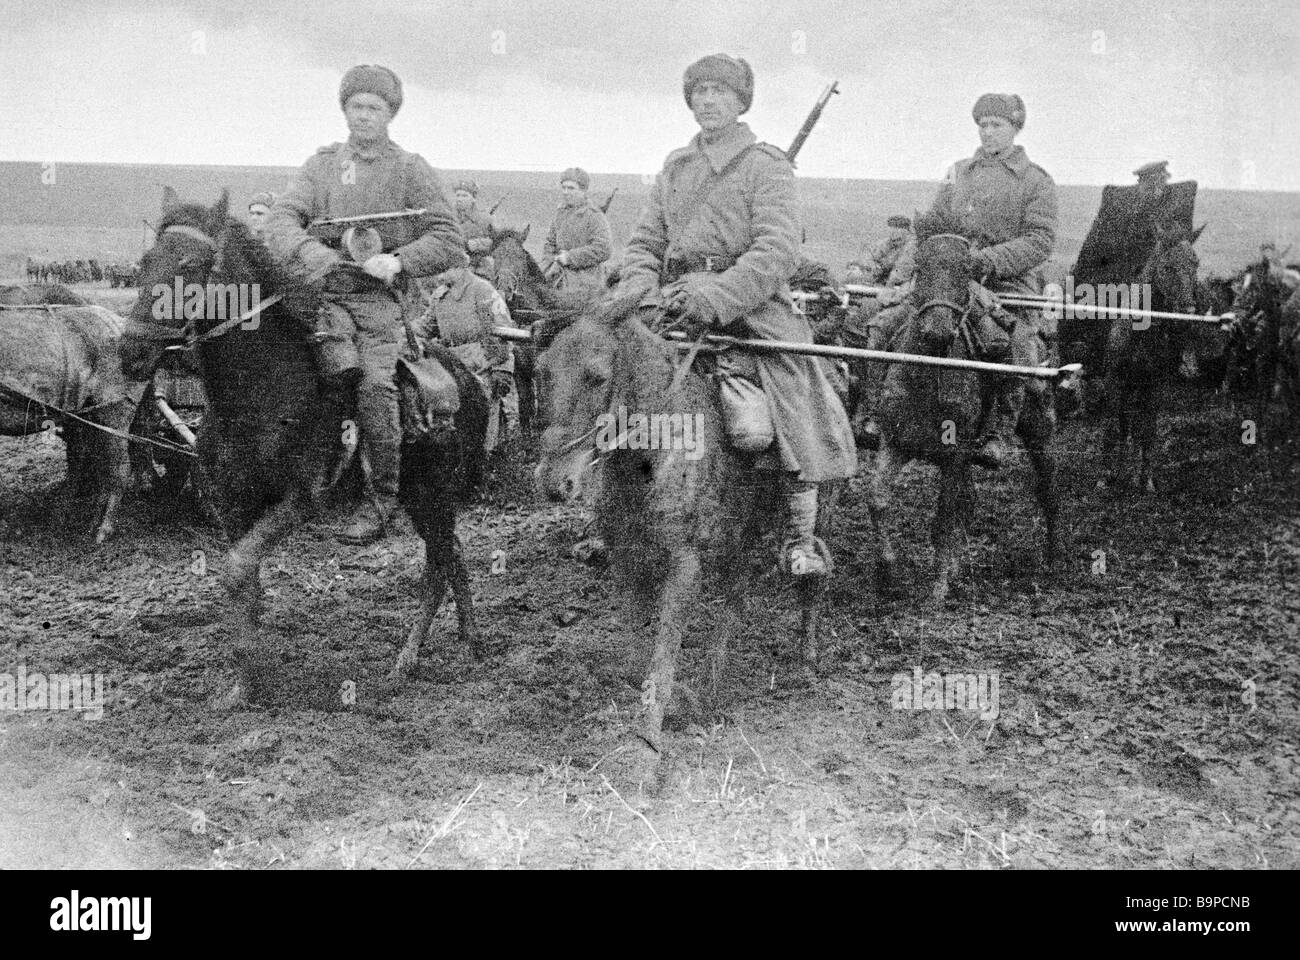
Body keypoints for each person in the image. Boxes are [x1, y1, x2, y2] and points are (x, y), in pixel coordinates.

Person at [617, 53, 857, 577]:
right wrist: (641, 286)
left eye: (719, 92)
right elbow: (643, 243)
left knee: (766, 422)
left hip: (750, 308)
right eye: (698, 92)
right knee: (613, 390)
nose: (707, 101)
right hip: (672, 302)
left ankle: (801, 538)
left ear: (741, 100)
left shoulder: (765, 166)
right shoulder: (676, 167)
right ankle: (619, 519)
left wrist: (718, 297)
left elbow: (776, 250)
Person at [266, 63, 467, 545]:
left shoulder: (411, 169)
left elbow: (450, 240)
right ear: (344, 110)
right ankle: (292, 489)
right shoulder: (321, 167)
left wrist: (398, 260)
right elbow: (280, 222)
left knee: (375, 389)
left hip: (381, 306)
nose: (363, 116)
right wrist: (317, 255)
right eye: (355, 106)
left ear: (390, 113)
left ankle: (382, 499)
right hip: (325, 298)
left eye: (374, 107)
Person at [853, 93, 1058, 469]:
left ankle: (997, 430)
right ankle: (872, 414)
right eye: (982, 124)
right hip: (947, 276)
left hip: (1004, 283)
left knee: (1014, 342)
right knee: (881, 324)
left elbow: (1040, 241)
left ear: (1015, 128)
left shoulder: (1035, 181)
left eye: (997, 125)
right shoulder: (958, 172)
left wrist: (985, 261)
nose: (987, 132)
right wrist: (899, 280)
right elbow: (927, 229)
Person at [416, 264, 518, 453]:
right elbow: (426, 326)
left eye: (443, 268)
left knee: (484, 424)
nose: (438, 275)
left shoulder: (482, 289)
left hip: (482, 363)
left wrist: (503, 368)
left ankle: (488, 465)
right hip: (451, 366)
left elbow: (503, 330)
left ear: (458, 266)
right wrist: (402, 331)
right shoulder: (440, 294)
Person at [540, 167, 612, 296]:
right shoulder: (560, 213)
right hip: (557, 273)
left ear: (583, 191)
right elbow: (550, 242)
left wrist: (570, 257)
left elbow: (603, 249)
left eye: (571, 188)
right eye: (564, 188)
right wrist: (549, 262)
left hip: (587, 281)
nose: (566, 192)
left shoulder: (594, 216)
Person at [452, 179, 495, 270]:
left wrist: (477, 244)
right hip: (450, 264)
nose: (460, 199)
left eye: (464, 196)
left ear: (473, 199)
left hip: (476, 265)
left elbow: (495, 241)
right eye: (458, 195)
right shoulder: (447, 216)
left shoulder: (485, 218)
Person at [862, 215, 913, 284]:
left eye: (898, 239)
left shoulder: (910, 247)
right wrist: (873, 266)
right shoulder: (886, 243)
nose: (894, 241)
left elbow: (902, 270)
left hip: (900, 282)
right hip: (882, 277)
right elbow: (870, 256)